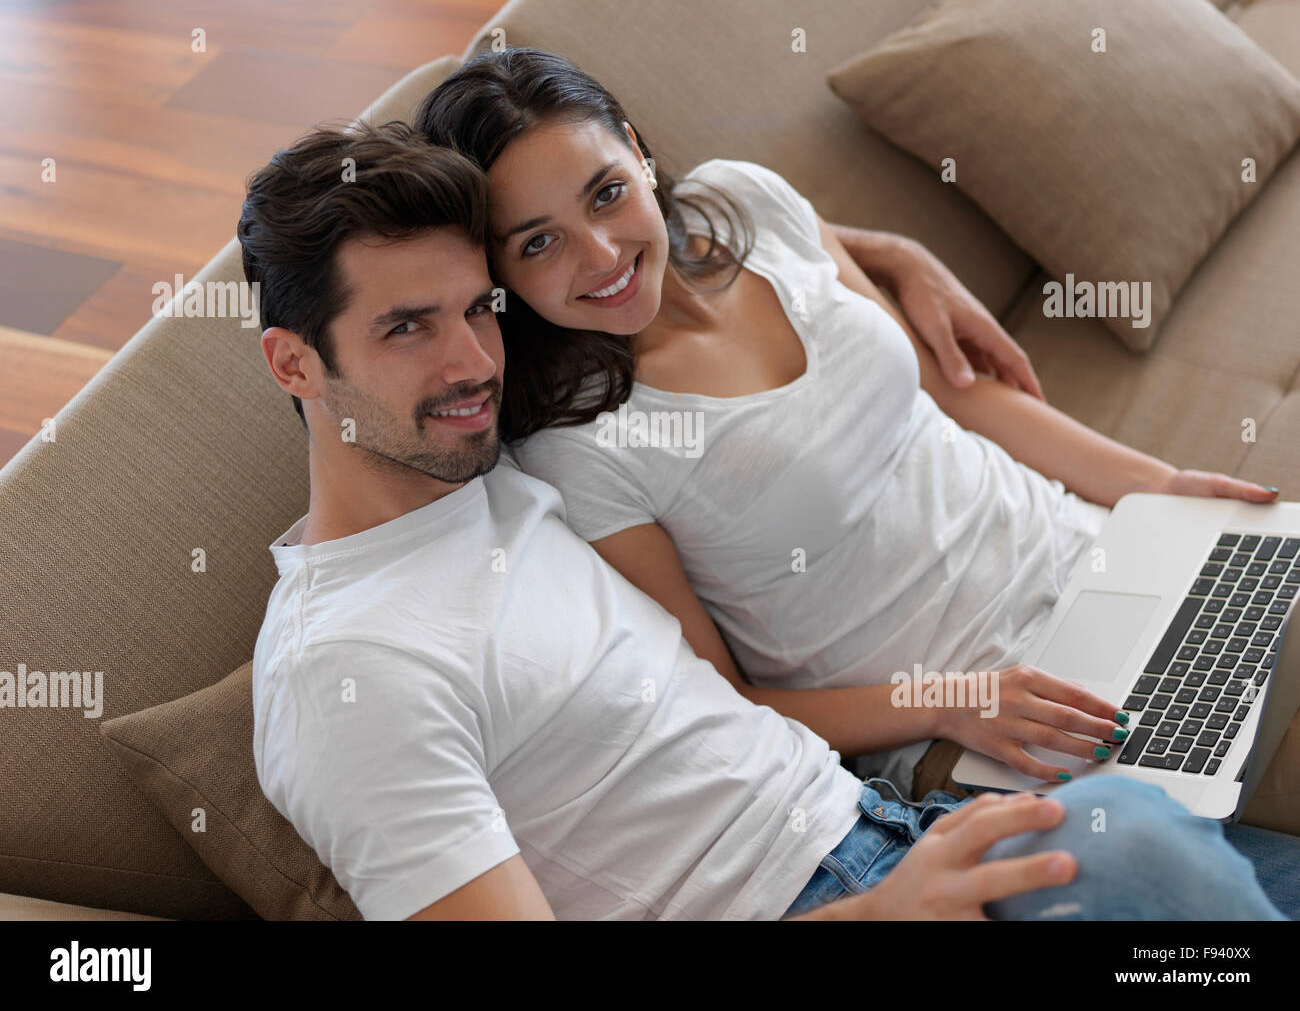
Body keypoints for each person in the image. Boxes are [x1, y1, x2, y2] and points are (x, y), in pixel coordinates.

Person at [241, 121, 1297, 920]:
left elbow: (707, 242)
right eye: (407, 329)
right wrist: (875, 911)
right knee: (1145, 840)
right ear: (293, 362)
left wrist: (885, 252)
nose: (472, 363)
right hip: (836, 897)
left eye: (479, 309)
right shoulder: (349, 676)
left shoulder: (488, 480)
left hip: (895, 837)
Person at [413, 48, 1296, 816]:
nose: (600, 254)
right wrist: (955, 702)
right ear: (495, 276)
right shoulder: (578, 448)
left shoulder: (742, 199)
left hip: (1099, 553)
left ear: (639, 152)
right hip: (990, 715)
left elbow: (961, 401)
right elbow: (726, 700)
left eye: (606, 192)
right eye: (537, 244)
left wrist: (1161, 487)